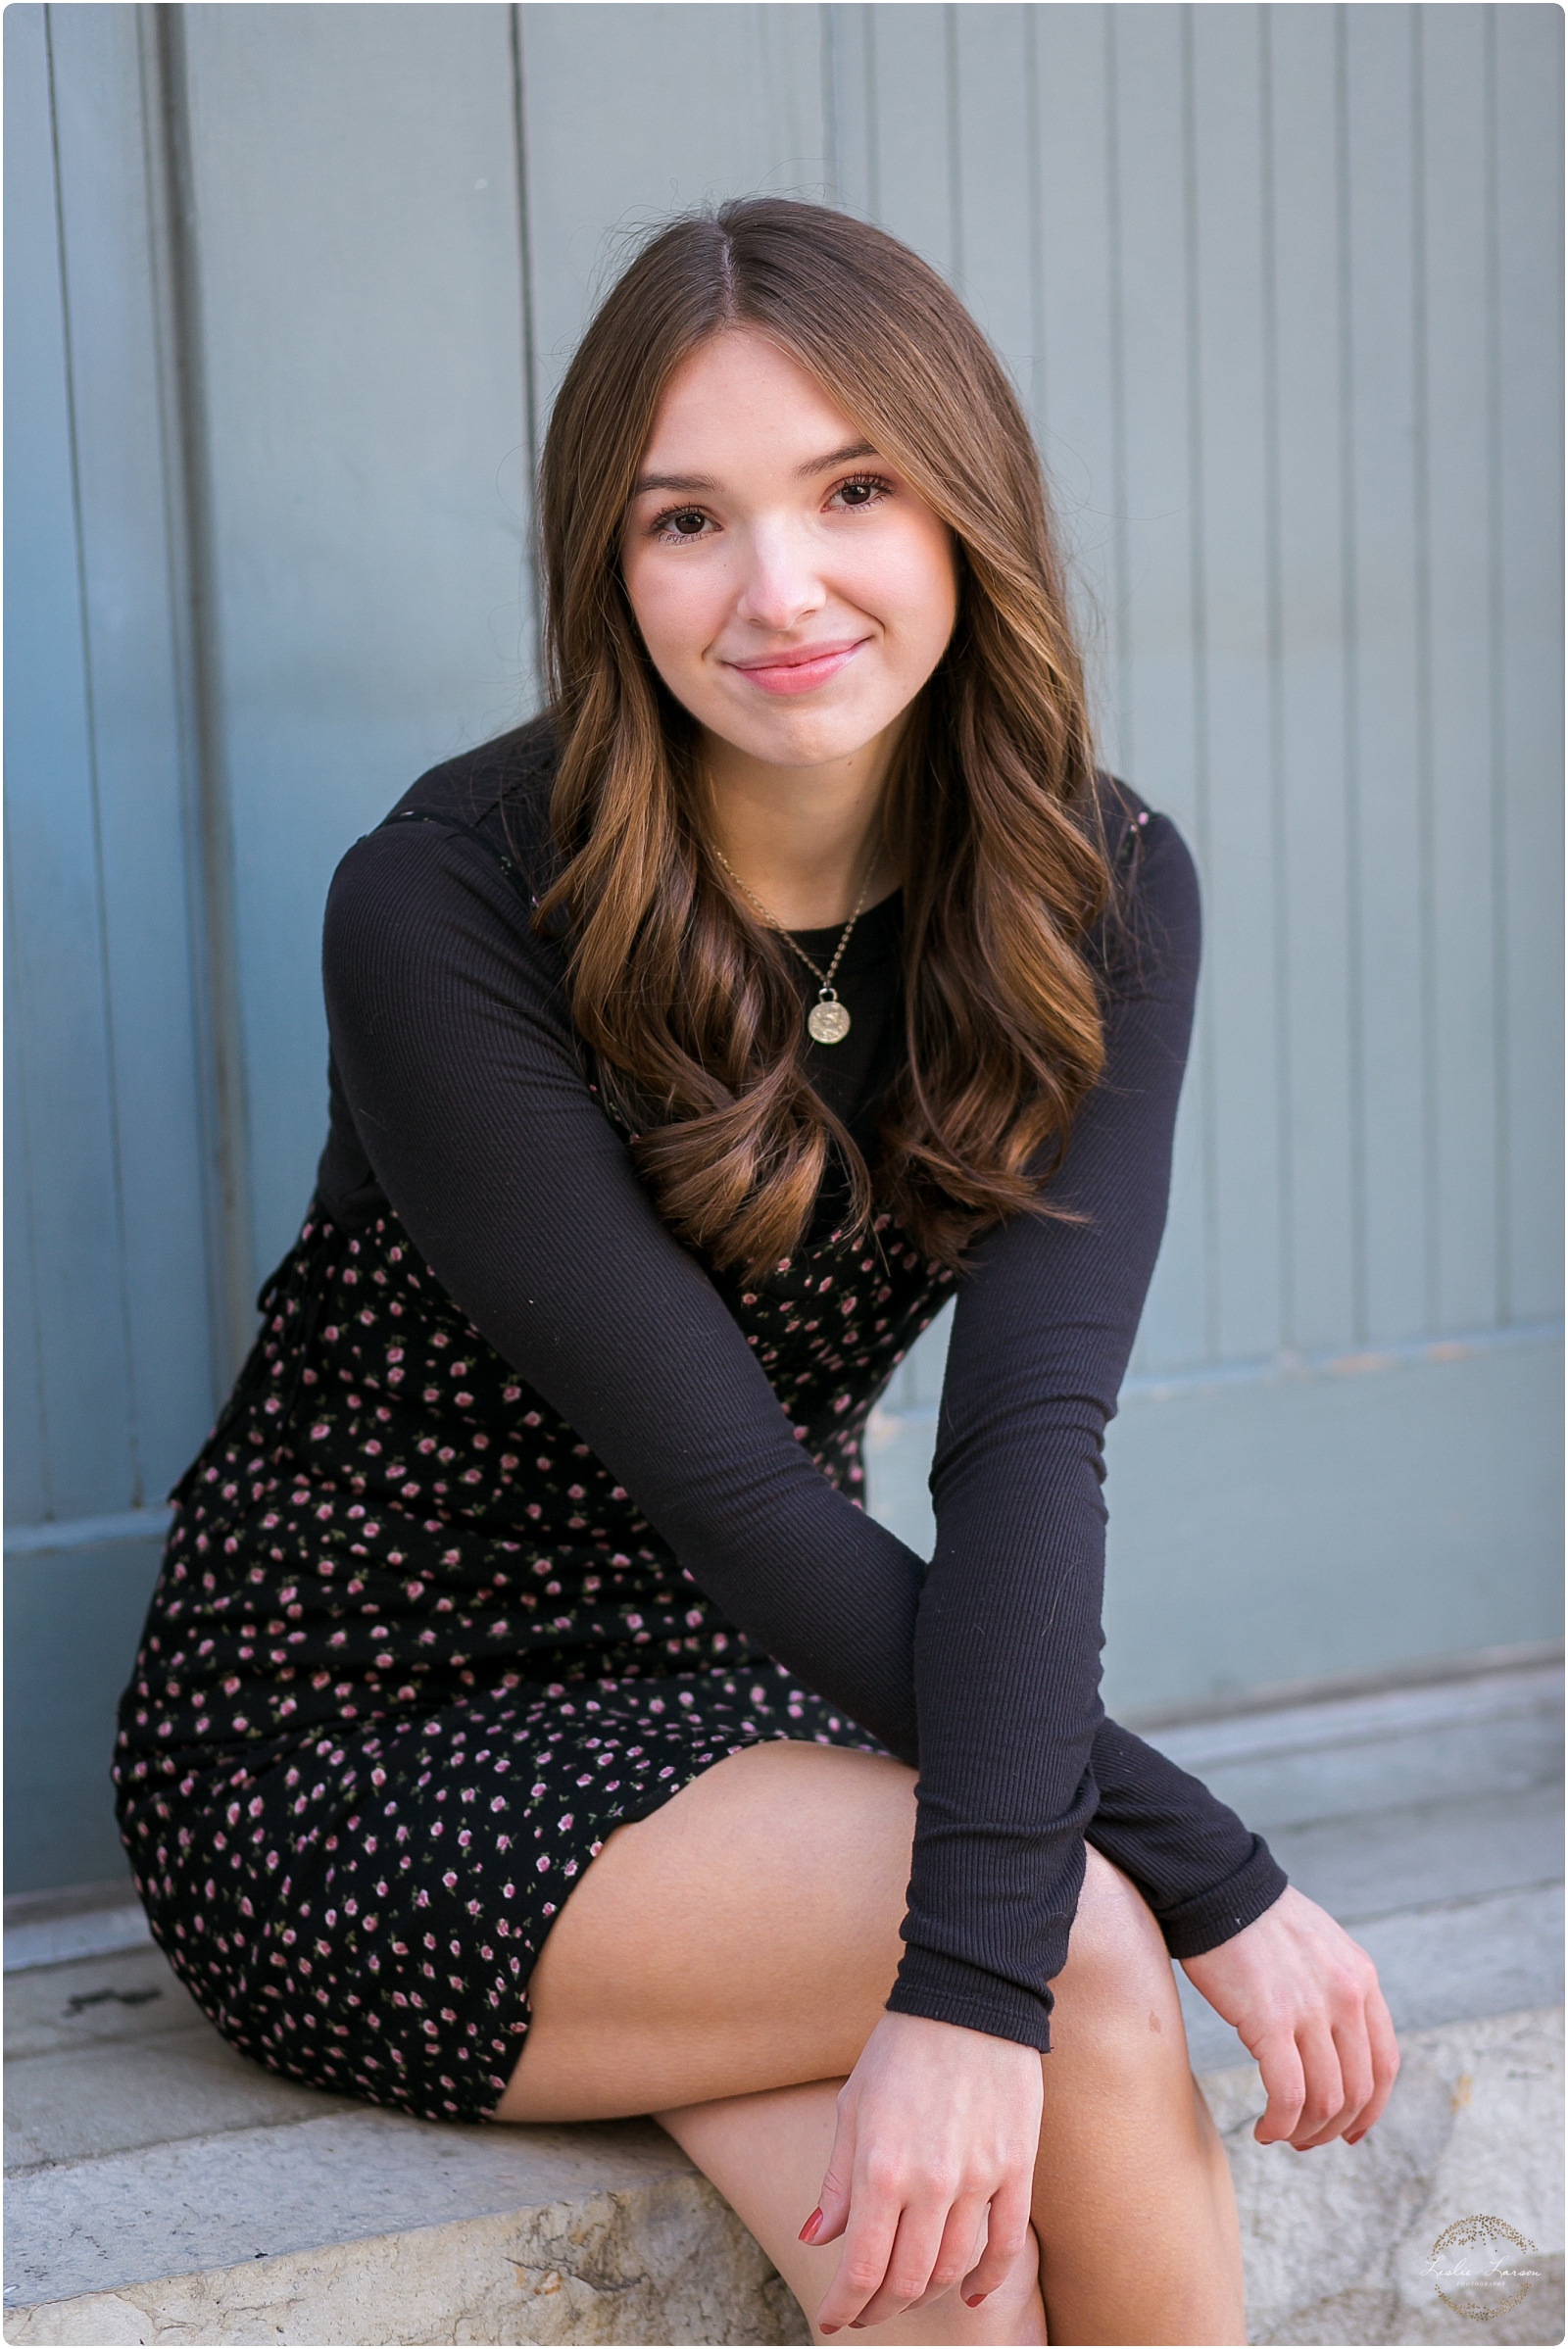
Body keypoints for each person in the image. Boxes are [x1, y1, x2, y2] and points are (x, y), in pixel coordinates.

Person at [117, 198, 1397, 2344]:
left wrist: (1077, 1906)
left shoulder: (1099, 891)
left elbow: (1019, 1448)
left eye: (851, 491)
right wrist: (1206, 1876)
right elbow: (725, 1489)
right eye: (683, 519)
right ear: (607, 573)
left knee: (948, 2288)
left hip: (749, 1700)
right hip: (352, 1736)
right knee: (1064, 1943)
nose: (776, 586)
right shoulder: (447, 910)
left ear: (962, 507)